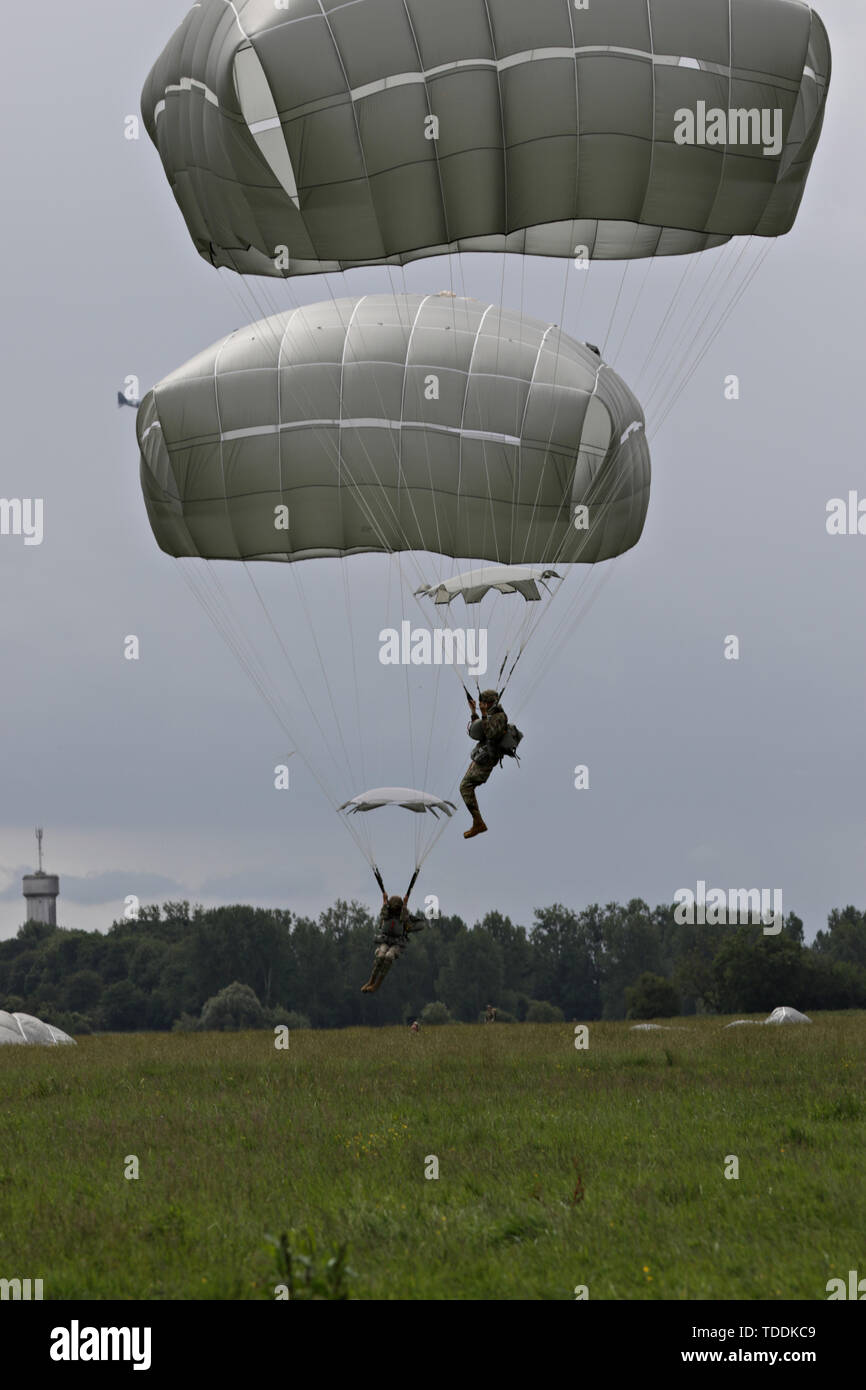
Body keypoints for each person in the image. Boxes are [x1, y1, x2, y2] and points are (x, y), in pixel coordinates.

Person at [460, 688, 508, 839]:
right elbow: (478, 731)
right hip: (481, 756)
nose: (483, 706)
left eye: (484, 703)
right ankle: (478, 822)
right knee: (465, 786)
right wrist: (474, 711)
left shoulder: (500, 717)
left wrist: (484, 714)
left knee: (465, 786)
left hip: (488, 760)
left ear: (490, 703)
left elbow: (490, 734)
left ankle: (478, 822)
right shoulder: (491, 715)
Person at [361, 892, 425, 994]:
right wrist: (384, 900)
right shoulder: (386, 914)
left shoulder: (403, 916)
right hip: (385, 941)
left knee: (389, 956)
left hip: (396, 944)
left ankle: (377, 985)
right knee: (381, 956)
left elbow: (407, 919)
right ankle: (371, 981)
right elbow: (383, 912)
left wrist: (405, 904)